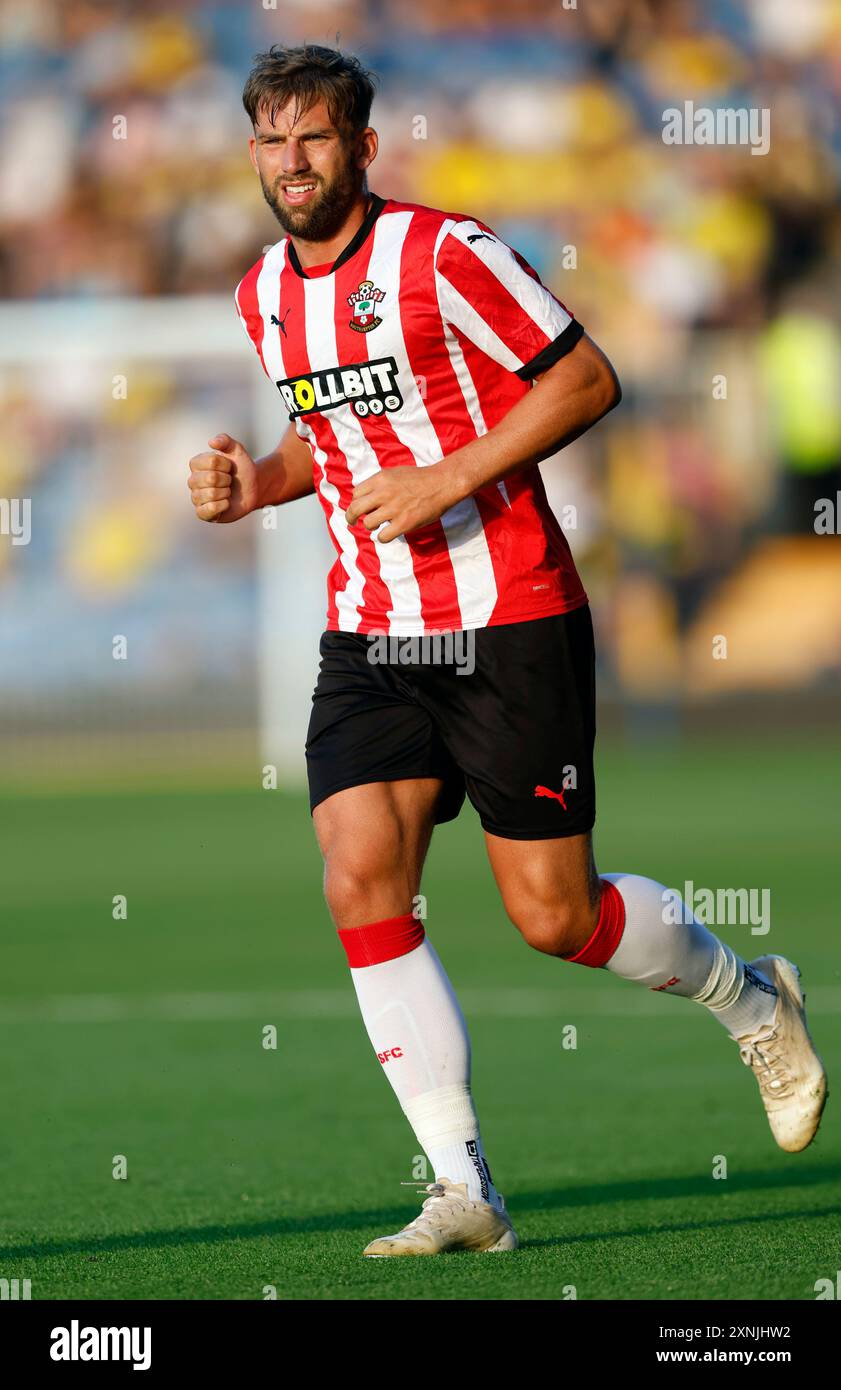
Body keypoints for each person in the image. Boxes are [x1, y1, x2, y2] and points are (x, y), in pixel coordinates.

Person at [188, 44, 827, 1257]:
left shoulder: (445, 252)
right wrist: (252, 484)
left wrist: (448, 478)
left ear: (361, 148)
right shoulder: (261, 293)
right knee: (357, 870)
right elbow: (323, 441)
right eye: (271, 140)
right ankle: (461, 1188)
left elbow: (587, 379)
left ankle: (752, 996)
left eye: (313, 139)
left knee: (555, 915)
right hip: (371, 629)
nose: (291, 163)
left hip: (510, 616)